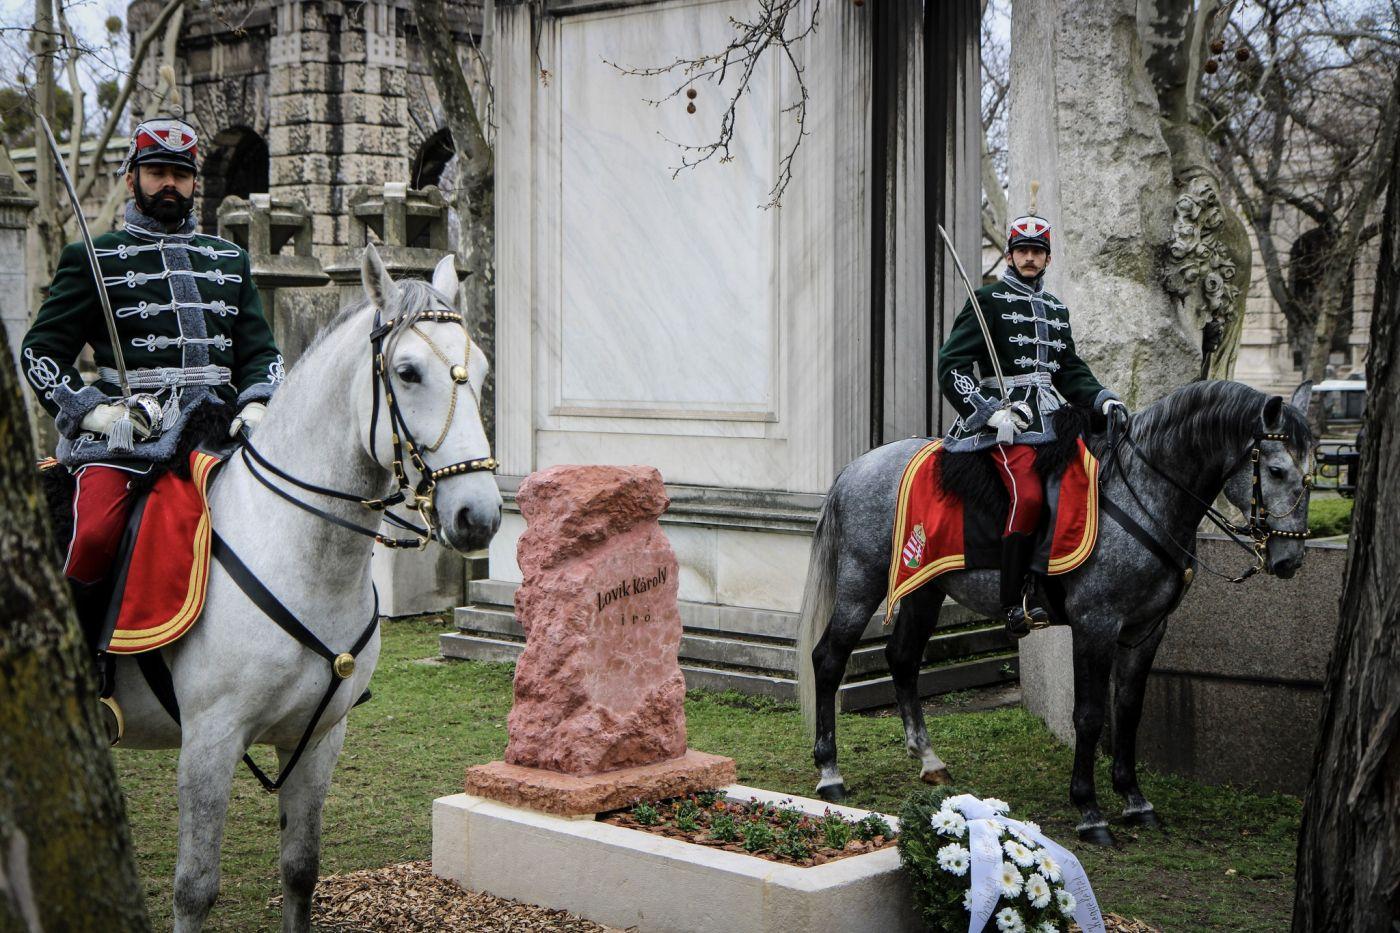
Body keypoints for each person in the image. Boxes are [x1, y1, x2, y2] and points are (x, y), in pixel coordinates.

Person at [21, 117, 283, 624]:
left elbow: (261, 353)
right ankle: (79, 658)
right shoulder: (91, 259)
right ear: (131, 178)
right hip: (125, 436)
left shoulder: (229, 260)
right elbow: (40, 352)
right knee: (94, 533)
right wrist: (92, 413)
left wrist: (256, 403)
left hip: (220, 428)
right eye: (157, 171)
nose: (169, 184)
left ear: (193, 183)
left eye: (180, 174)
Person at [936, 214, 1127, 639]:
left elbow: (1069, 369)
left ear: (1047, 259)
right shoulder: (986, 300)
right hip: (1004, 421)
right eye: (1022, 250)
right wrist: (987, 411)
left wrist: (1102, 397)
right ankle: (1011, 603)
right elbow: (950, 365)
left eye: (1036, 252)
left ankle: (1067, 579)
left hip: (1053, 416)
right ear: (1009, 254)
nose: (1028, 257)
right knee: (1030, 496)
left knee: (1090, 479)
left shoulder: (1057, 309)